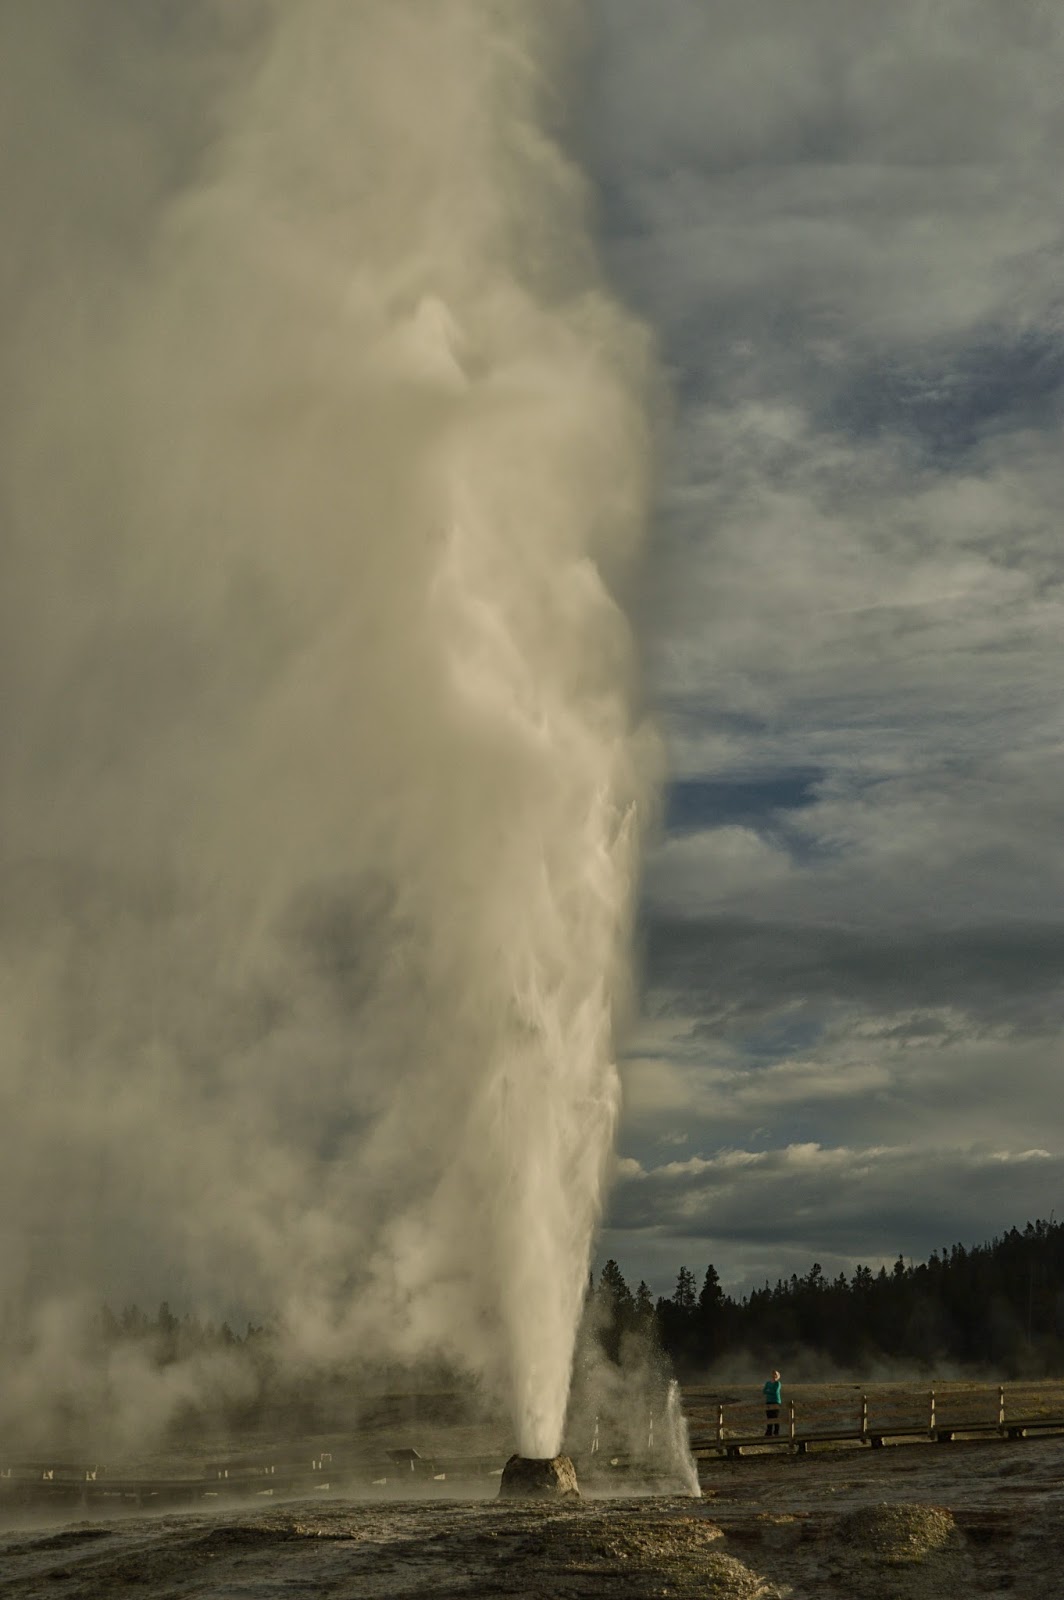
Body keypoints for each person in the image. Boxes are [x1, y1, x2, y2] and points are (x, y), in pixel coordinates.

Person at [763, 1369, 782, 1437]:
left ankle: (776, 1432)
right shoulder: (768, 1383)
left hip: (776, 1401)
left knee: (775, 1417)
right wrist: (770, 1391)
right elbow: (764, 1391)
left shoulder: (778, 1383)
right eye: (773, 1374)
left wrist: (769, 1391)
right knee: (769, 1417)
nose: (774, 1375)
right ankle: (769, 1432)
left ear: (778, 1376)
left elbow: (775, 1392)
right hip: (769, 1401)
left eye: (776, 1374)